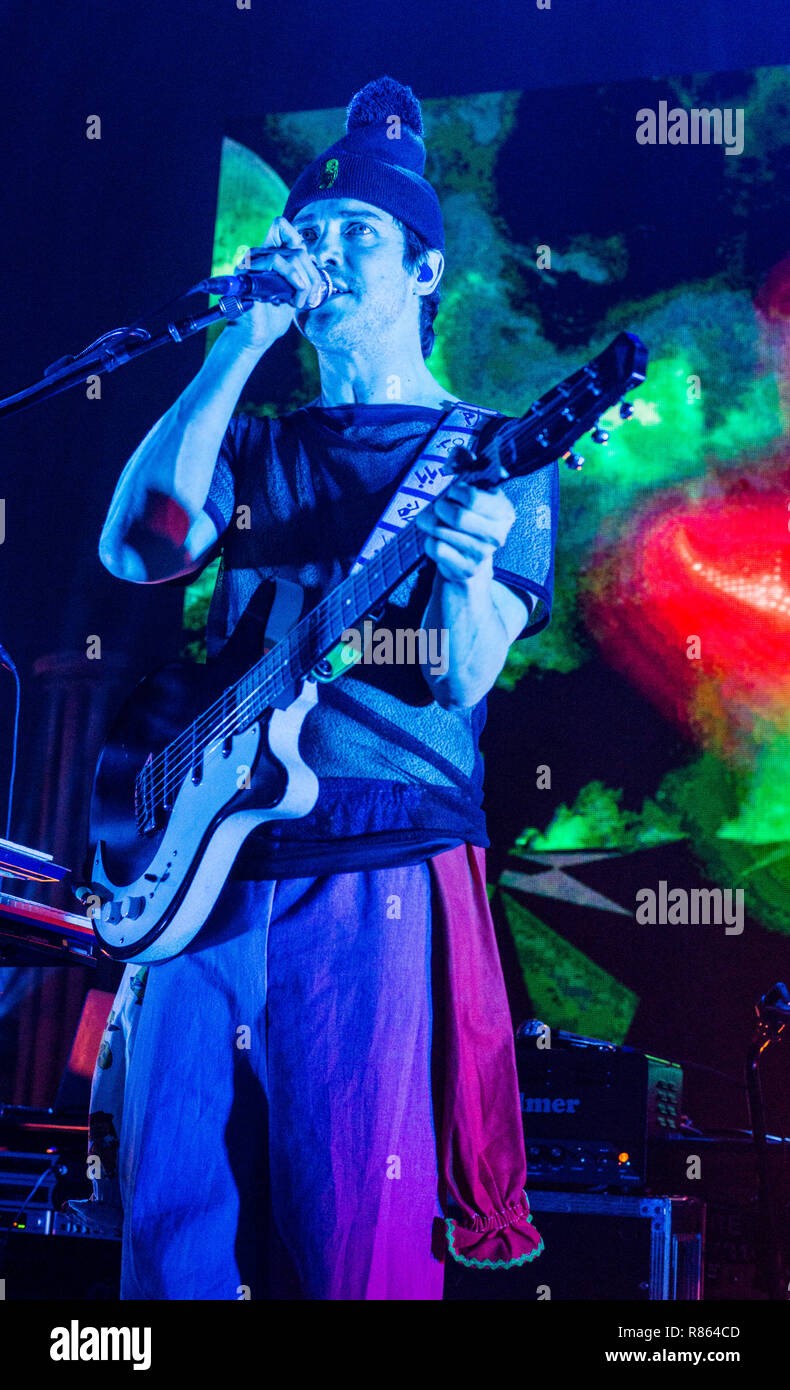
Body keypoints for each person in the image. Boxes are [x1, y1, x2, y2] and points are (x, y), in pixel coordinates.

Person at [78, 76, 557, 1300]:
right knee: (165, 1238)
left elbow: (456, 672)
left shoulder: (491, 455)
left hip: (374, 866)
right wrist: (239, 343)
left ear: (424, 271)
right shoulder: (259, 446)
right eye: (313, 236)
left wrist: (456, 580)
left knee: (360, 1250)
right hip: (204, 874)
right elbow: (138, 547)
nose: (329, 257)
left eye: (360, 239)